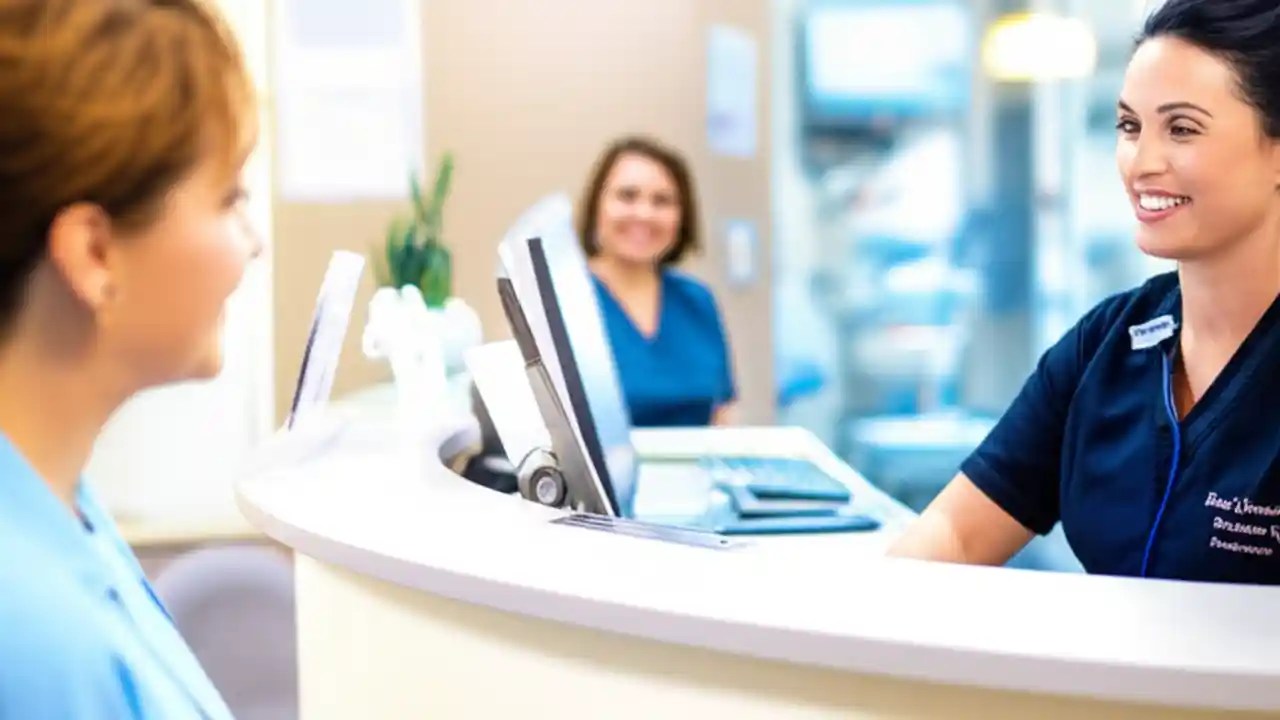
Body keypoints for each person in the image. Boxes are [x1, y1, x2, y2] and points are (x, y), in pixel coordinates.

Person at [889, 0, 1280, 585]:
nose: (1140, 162)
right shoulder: (1107, 343)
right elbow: (959, 532)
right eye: (1129, 126)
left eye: (1182, 128)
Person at [0, 0, 261, 716]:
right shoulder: (36, 644)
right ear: (94, 253)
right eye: (230, 197)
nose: (253, 241)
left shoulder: (61, 503)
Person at [578, 135, 736, 427]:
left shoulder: (697, 301)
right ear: (596, 205)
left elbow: (721, 416)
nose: (644, 214)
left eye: (662, 201)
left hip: (696, 471)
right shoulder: (562, 300)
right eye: (627, 196)